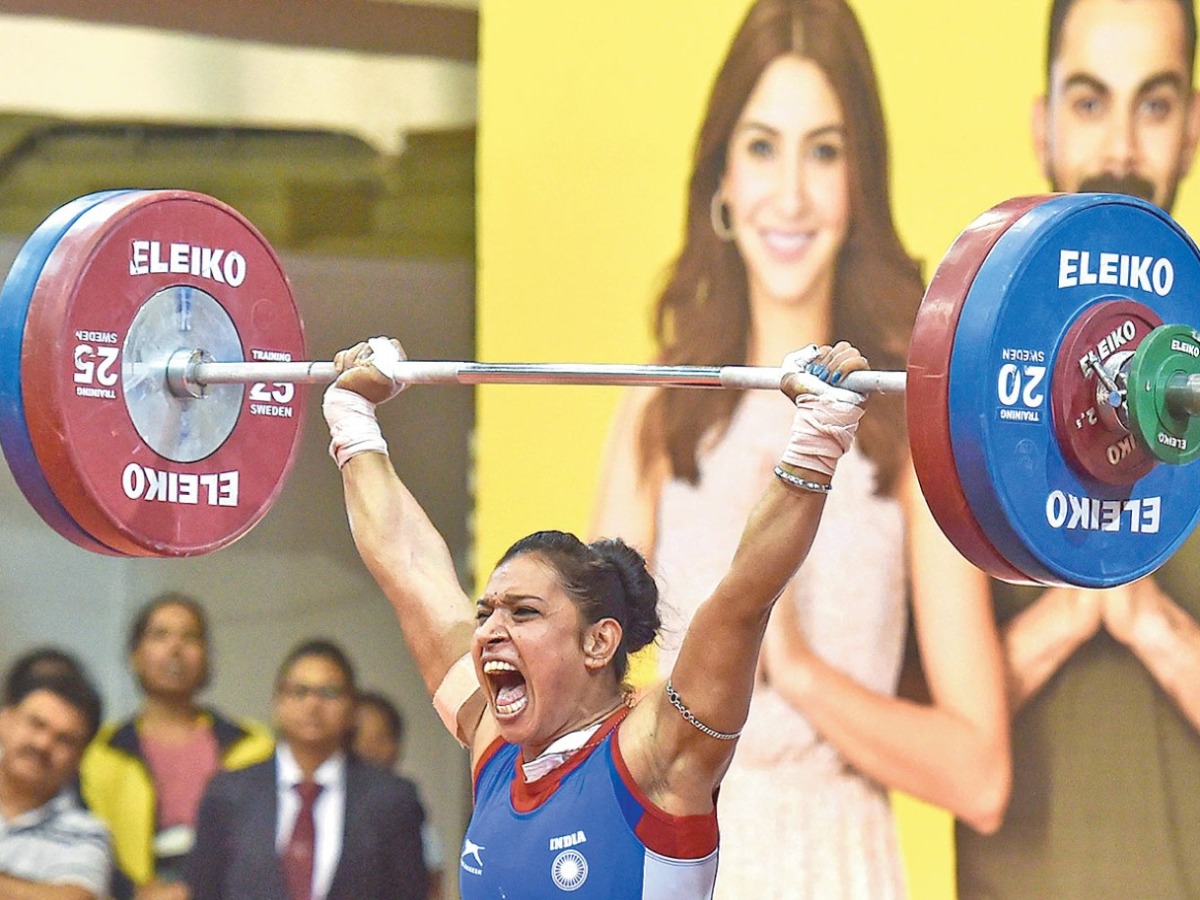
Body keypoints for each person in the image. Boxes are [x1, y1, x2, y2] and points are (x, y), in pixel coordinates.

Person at [588, 0, 1009, 896]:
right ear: (723, 179)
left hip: (845, 866)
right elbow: (586, 718)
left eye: (824, 151)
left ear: (860, 182)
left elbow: (979, 772)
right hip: (676, 861)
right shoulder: (660, 409)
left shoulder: (907, 419)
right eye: (762, 146)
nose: (790, 193)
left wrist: (799, 674)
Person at [324, 332, 892, 898]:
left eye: (524, 613)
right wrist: (353, 420)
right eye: (487, 612)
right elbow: (409, 569)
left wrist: (819, 435)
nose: (492, 631)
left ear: (599, 642)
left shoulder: (657, 755)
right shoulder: (492, 744)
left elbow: (742, 601)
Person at [956, 2, 1200, 897]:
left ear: (1195, 126)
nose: (1123, 148)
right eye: (1092, 102)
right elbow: (922, 732)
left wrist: (1148, 618)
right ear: (1044, 121)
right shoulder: (959, 372)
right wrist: (1075, 597)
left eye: (1156, 103)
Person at [187, 638, 429, 900]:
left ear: (352, 708)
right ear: (278, 703)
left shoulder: (391, 799)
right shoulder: (228, 794)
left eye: (329, 693)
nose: (313, 704)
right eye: (300, 692)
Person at [80, 592, 276, 900]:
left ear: (206, 656)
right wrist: (134, 891)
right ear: (135, 655)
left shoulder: (253, 745)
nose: (175, 649)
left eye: (190, 637)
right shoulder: (101, 752)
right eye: (160, 635)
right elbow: (87, 839)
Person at [0, 666, 112, 898]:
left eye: (64, 740)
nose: (42, 744)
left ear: (81, 757)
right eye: (36, 724)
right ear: (5, 720)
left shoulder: (86, 834)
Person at [353, 691, 445, 900]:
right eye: (357, 737)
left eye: (380, 738)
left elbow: (433, 882)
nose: (367, 748)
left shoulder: (407, 807)